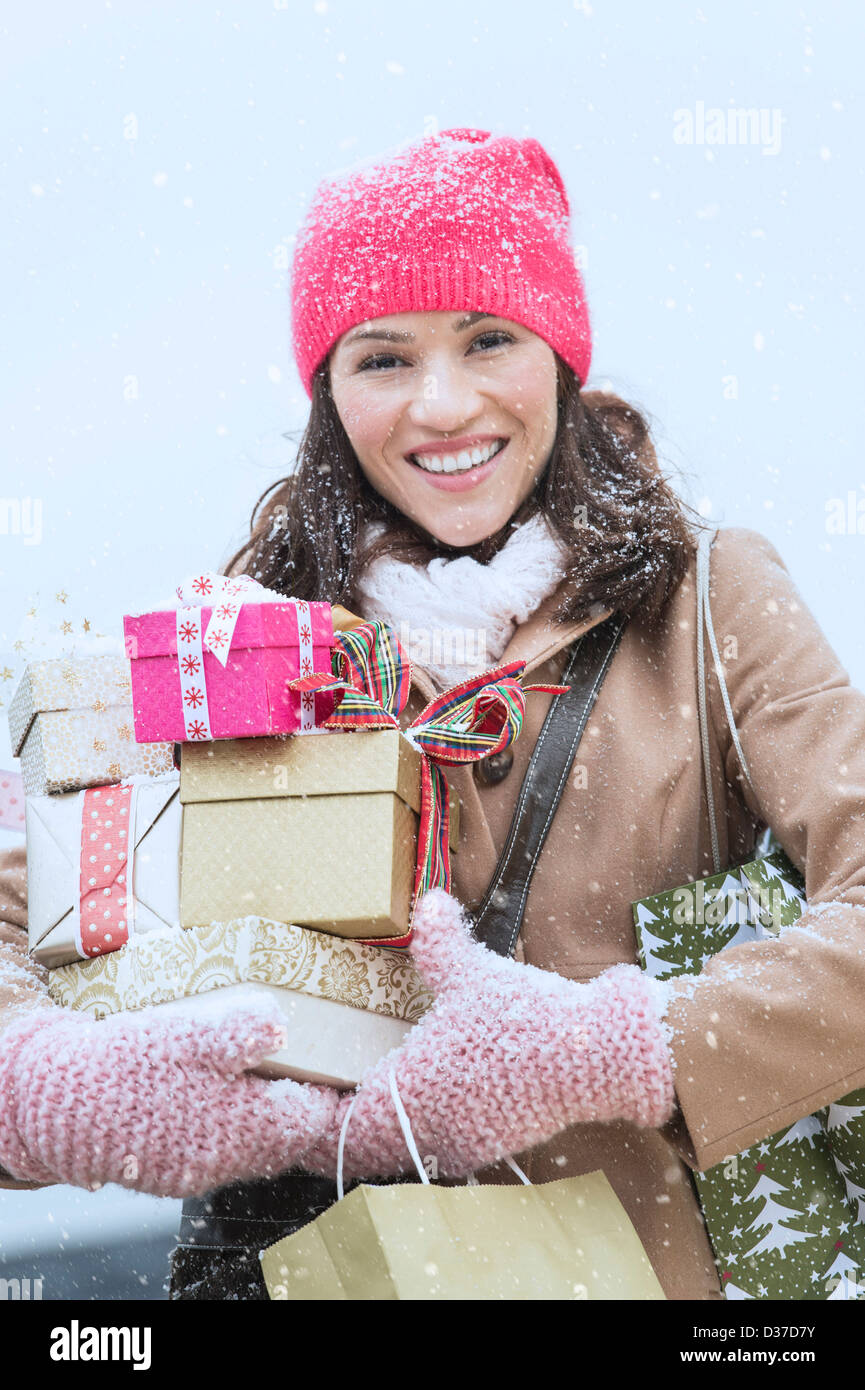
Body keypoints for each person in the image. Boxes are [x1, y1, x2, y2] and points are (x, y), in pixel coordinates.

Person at [1, 127, 864, 1303]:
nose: (443, 405)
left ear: (557, 355)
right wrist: (52, 1087)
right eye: (383, 357)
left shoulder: (711, 602)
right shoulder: (234, 637)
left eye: (489, 339)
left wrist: (623, 1047)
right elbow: (23, 911)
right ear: (327, 389)